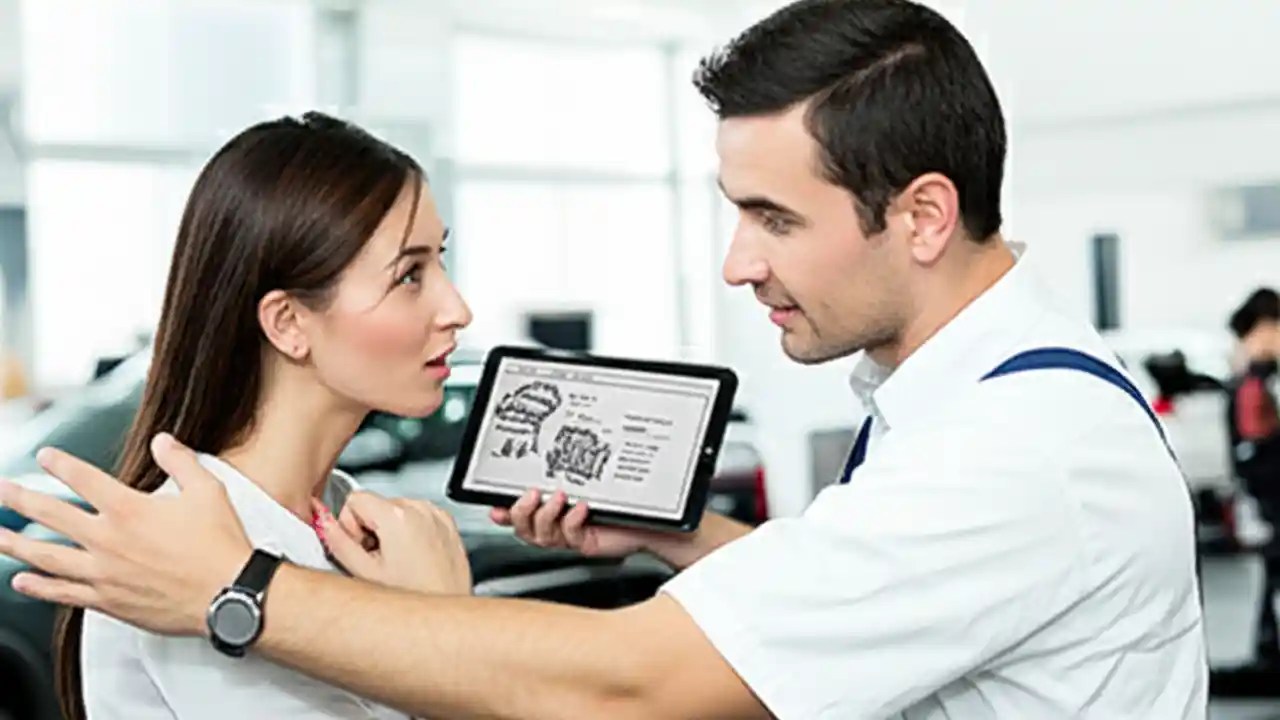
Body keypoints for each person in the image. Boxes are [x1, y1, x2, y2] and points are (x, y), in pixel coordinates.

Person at [0, 1, 1208, 717]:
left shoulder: (1017, 454)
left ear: (923, 216)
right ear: (286, 320)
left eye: (773, 218)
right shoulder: (965, 408)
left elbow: (634, 684)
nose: (738, 264)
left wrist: (251, 595)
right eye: (409, 273)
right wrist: (676, 538)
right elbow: (888, 592)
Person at [51, 111, 474, 719]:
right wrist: (446, 639)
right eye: (410, 274)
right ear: (289, 323)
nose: (457, 308)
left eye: (440, 261)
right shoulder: (181, 553)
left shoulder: (357, 521)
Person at [1226, 288, 1280, 665]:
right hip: (1267, 485)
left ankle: (1267, 644)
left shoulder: (1256, 376)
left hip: (1264, 483)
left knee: (1273, 565)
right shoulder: (1253, 378)